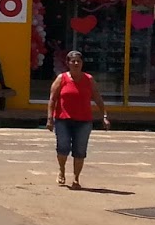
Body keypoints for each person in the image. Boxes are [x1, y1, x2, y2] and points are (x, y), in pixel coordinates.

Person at [47, 49, 110, 189]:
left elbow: (97, 98)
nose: (76, 63)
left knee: (80, 150)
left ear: (82, 63)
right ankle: (62, 170)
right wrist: (50, 118)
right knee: (63, 147)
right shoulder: (61, 79)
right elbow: (52, 99)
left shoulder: (89, 79)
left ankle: (76, 178)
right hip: (63, 119)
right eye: (73, 61)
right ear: (68, 63)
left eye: (78, 61)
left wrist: (104, 115)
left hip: (84, 121)